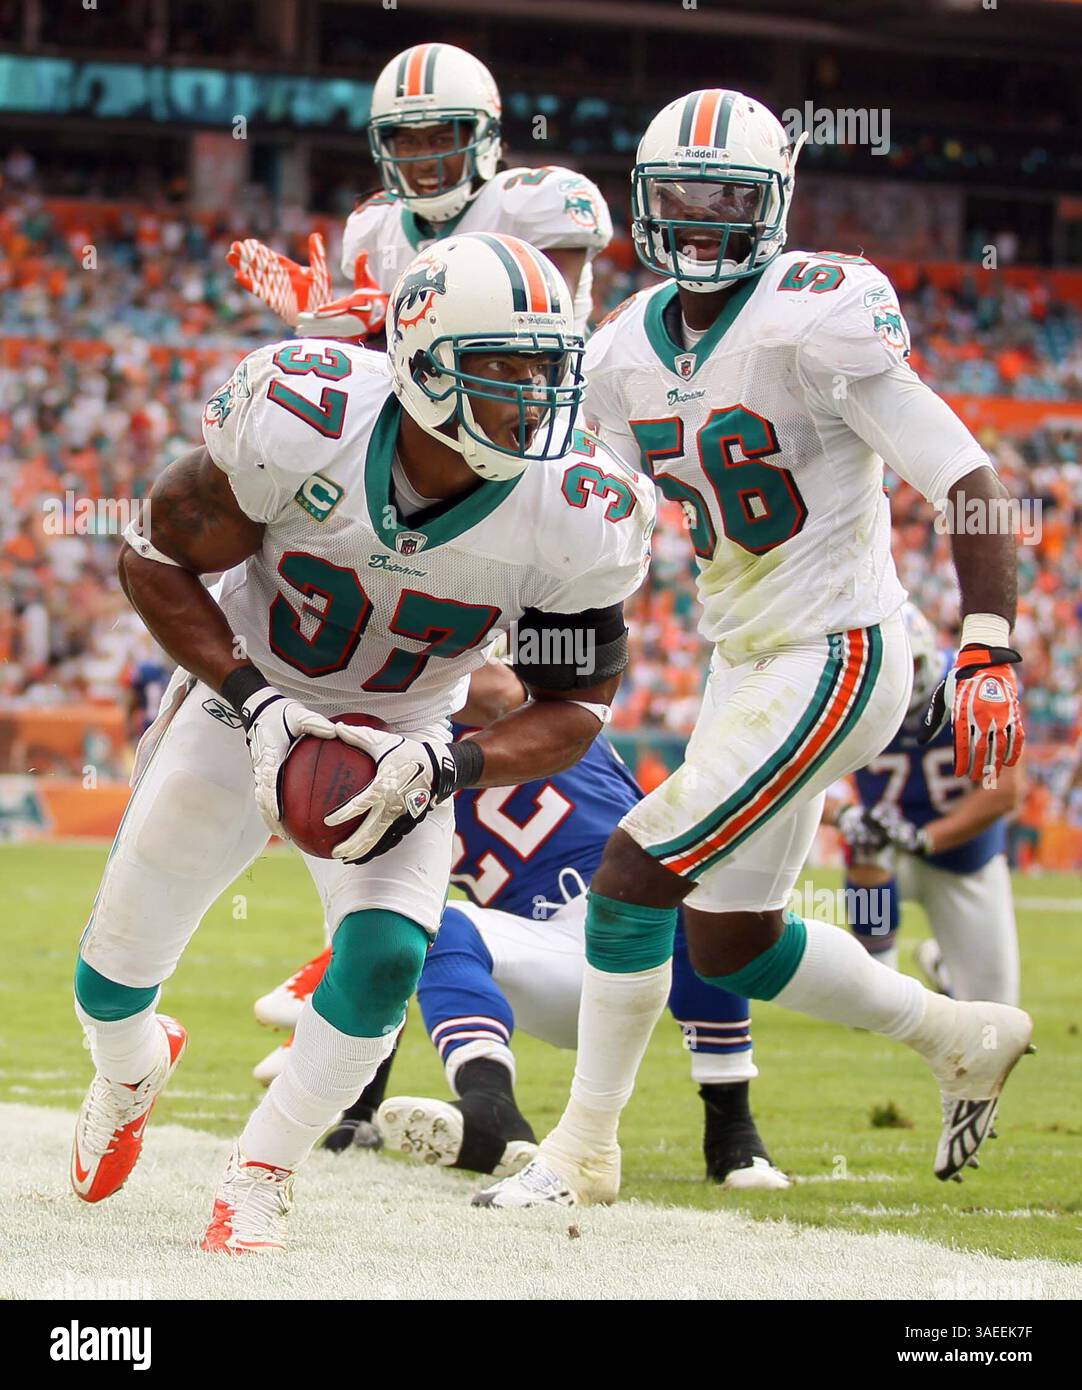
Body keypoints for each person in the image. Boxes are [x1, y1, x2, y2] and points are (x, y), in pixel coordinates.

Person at [477, 89, 1029, 1211]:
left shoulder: (814, 311)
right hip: (746, 660)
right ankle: (954, 1031)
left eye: (724, 197)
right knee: (729, 942)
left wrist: (987, 644)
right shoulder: (622, 346)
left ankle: (583, 1150)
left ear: (772, 204)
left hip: (838, 649)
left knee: (634, 872)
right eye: (677, 196)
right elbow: (585, 511)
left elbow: (965, 478)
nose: (697, 218)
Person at [68, 232, 654, 1253]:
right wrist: (255, 699)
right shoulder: (308, 420)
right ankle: (130, 1066)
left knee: (386, 957)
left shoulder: (574, 509)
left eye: (544, 369)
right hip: (242, 697)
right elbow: (156, 555)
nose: (533, 397)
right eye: (500, 370)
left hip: (410, 728)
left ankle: (261, 1169)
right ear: (424, 368)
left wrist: (452, 762)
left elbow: (578, 706)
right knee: (112, 974)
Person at [254, 660, 788, 1190]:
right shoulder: (377, 766)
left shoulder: (538, 706)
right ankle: (492, 1111)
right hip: (548, 960)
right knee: (425, 923)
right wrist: (358, 1112)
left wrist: (374, 677)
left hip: (643, 941)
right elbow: (390, 948)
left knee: (684, 897)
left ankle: (733, 1128)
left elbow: (502, 691)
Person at [229, 43, 611, 342]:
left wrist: (385, 322)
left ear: (485, 138)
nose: (425, 160)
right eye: (408, 143)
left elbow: (535, 337)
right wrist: (320, 320)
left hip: (541, 423)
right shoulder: (374, 223)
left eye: (442, 138)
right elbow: (377, 373)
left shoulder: (533, 202)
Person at [827, 603, 1022, 1007]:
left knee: (992, 1009)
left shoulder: (971, 686)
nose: (903, 675)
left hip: (963, 853)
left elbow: (1005, 790)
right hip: (887, 840)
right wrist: (846, 815)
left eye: (910, 663)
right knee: (865, 844)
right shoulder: (849, 693)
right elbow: (797, 776)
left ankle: (945, 968)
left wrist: (925, 838)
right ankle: (876, 985)